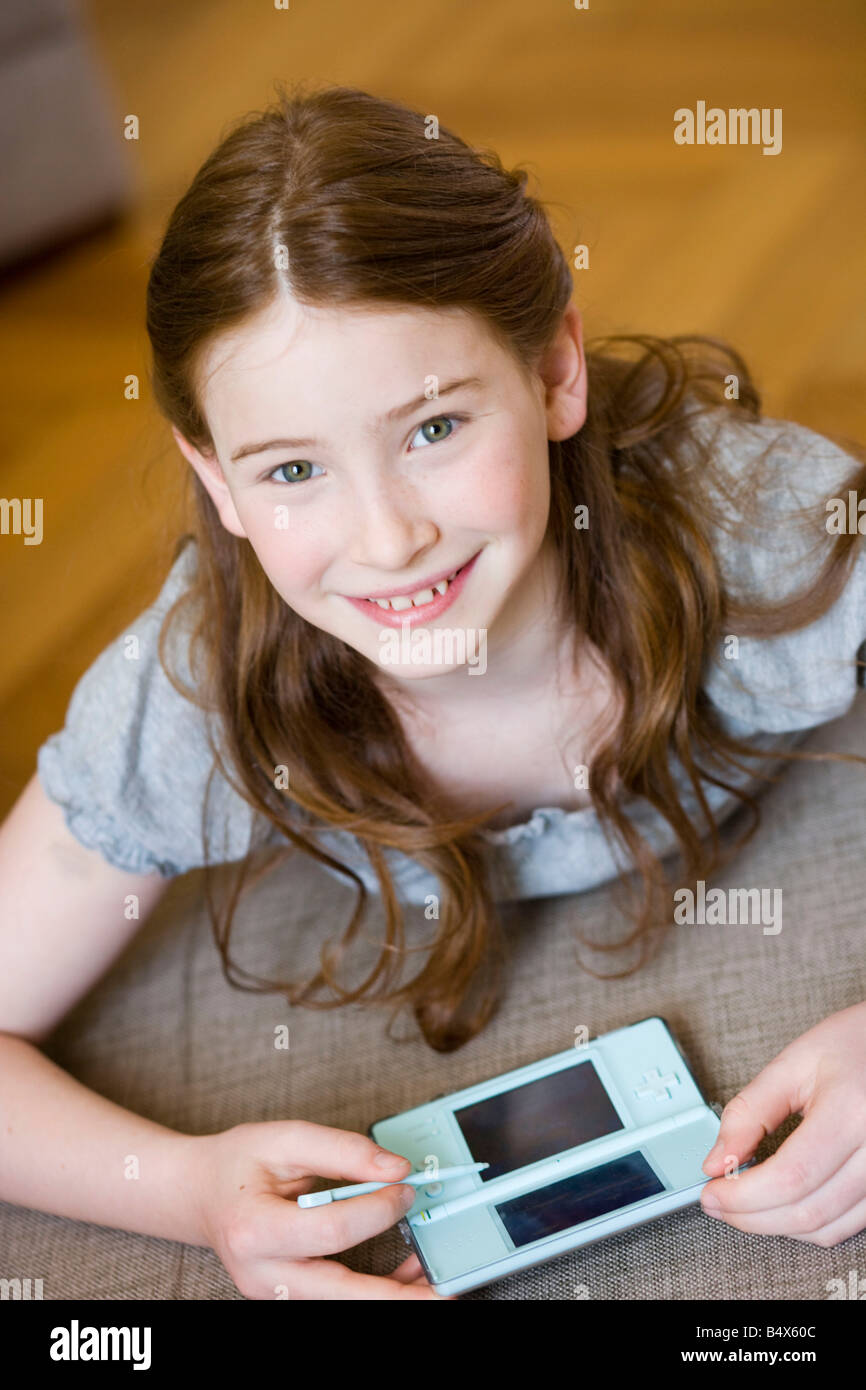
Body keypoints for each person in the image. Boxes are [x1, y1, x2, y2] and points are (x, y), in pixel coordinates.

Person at [2, 83, 866, 1300]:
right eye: (292, 468)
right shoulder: (191, 696)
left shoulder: (753, 525)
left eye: (432, 428)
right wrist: (188, 1188)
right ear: (221, 483)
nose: (388, 536)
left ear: (555, 370)